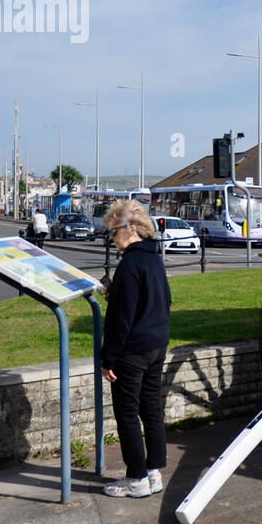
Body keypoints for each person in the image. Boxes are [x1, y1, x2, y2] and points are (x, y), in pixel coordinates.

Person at [100, 199, 172, 499]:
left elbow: (122, 318)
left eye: (113, 232)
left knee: (127, 414)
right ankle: (153, 472)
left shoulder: (129, 263)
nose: (111, 238)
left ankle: (136, 479)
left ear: (129, 229)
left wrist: (108, 359)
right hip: (156, 346)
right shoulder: (153, 258)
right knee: (151, 409)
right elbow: (162, 301)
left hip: (132, 352)